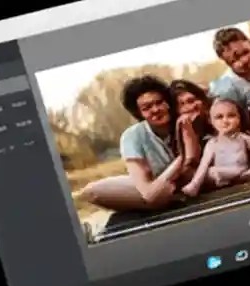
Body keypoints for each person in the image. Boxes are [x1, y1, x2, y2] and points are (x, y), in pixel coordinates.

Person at [77, 75, 184, 212]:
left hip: (190, 180)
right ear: (139, 113)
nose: (155, 110)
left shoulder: (184, 122)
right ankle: (170, 200)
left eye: (159, 102)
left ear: (168, 103)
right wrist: (182, 158)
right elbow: (147, 191)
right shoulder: (132, 136)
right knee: (92, 191)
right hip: (154, 186)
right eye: (147, 108)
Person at [181, 99, 250, 197]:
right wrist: (195, 182)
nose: (225, 121)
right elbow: (204, 164)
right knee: (211, 171)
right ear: (211, 121)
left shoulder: (243, 137)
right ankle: (197, 185)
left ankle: (248, 174)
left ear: (239, 118)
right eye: (219, 117)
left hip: (240, 168)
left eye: (231, 116)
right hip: (223, 171)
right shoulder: (212, 143)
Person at [169, 79, 214, 172]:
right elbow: (189, 165)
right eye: (182, 104)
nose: (189, 107)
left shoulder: (219, 120)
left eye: (191, 100)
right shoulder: (177, 134)